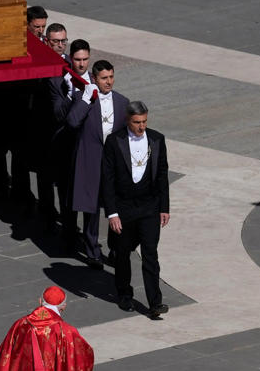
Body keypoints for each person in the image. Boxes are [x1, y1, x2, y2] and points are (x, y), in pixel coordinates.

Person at [101, 101, 170, 317]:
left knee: (150, 253)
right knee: (123, 253)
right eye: (137, 122)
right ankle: (124, 293)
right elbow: (107, 179)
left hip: (149, 206)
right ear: (127, 121)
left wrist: (164, 207)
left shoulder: (157, 139)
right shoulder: (114, 141)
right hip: (124, 208)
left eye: (144, 121)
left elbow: (162, 175)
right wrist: (112, 213)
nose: (141, 127)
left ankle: (155, 302)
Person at [66, 60, 129, 269]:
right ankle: (92, 250)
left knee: (114, 207)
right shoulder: (83, 99)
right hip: (91, 161)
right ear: (94, 78)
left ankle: (113, 248)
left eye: (111, 77)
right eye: (104, 78)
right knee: (91, 209)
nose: (108, 82)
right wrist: (85, 100)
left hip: (112, 165)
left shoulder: (122, 102)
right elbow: (73, 122)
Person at [48, 39, 91, 250]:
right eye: (77, 60)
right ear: (70, 59)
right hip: (66, 147)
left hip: (87, 148)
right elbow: (58, 114)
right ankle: (69, 233)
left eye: (85, 59)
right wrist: (68, 94)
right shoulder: (59, 82)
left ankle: (89, 239)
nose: (81, 64)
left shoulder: (94, 81)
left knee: (88, 194)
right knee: (67, 195)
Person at [0, 286, 94, 371]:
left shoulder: (21, 323)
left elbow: (5, 355)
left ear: (40, 301)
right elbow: (81, 358)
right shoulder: (66, 331)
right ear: (64, 306)